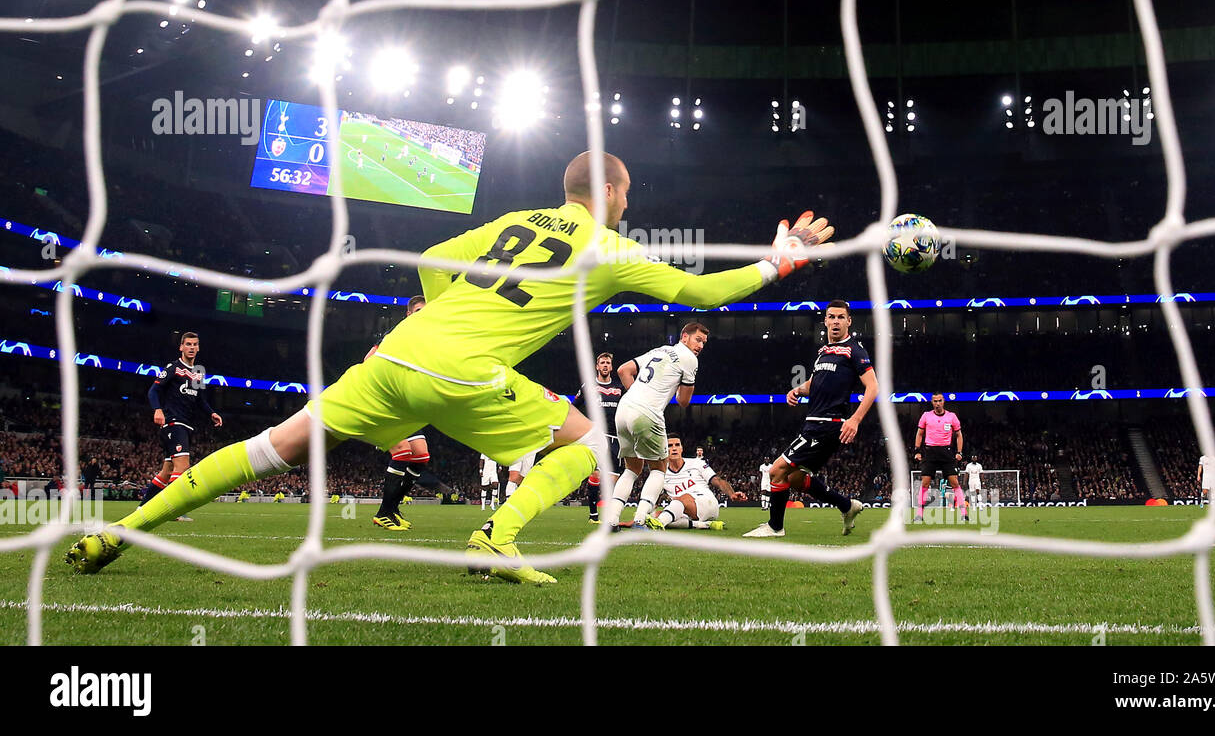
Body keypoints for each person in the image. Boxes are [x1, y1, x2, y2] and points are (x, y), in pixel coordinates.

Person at [67, 151, 832, 583]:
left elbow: (431, 257)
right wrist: (777, 264)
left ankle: (119, 534)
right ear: (606, 192)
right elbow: (699, 290)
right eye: (626, 194)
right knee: (586, 446)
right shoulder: (607, 244)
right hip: (465, 370)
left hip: (398, 353)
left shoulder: (515, 220)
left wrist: (435, 318)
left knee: (277, 446)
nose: (627, 206)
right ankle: (497, 535)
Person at [745, 300, 872, 538]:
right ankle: (846, 505)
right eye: (831, 317)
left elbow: (873, 387)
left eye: (840, 317)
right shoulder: (823, 351)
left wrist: (854, 420)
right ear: (824, 321)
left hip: (827, 425)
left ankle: (775, 526)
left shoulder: (854, 350)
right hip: (814, 423)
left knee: (776, 471)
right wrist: (798, 390)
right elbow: (815, 382)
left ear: (849, 321)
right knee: (794, 479)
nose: (835, 321)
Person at [610, 322, 708, 529]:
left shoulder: (661, 349)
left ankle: (611, 518)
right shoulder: (690, 359)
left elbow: (623, 370)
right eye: (698, 340)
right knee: (658, 468)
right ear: (684, 337)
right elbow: (683, 401)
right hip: (647, 412)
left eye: (704, 343)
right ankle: (640, 518)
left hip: (624, 408)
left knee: (632, 468)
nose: (700, 346)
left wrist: (637, 395)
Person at [141, 332, 223, 522]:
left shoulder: (199, 371)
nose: (192, 347)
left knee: (167, 471)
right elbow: (154, 390)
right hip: (173, 422)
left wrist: (211, 412)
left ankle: (143, 506)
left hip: (186, 424)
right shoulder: (174, 368)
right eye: (188, 344)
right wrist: (157, 410)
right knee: (183, 467)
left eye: (195, 344)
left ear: (199, 347)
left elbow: (200, 399)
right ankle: (173, 510)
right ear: (181, 347)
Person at [368, 295, 430, 531]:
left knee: (421, 456)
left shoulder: (425, 341)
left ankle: (392, 509)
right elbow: (368, 361)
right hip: (384, 401)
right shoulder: (395, 335)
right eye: (417, 311)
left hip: (404, 405)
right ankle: (384, 512)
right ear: (408, 314)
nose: (421, 315)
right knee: (402, 452)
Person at [651, 436, 746, 530]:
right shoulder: (662, 473)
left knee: (680, 500)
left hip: (707, 503)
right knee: (656, 515)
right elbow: (656, 496)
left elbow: (718, 481)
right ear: (664, 450)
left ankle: (658, 524)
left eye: (677, 445)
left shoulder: (697, 463)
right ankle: (703, 525)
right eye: (670, 446)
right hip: (684, 509)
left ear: (681, 448)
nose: (674, 448)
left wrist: (732, 493)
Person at [578, 352, 624, 523]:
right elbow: (574, 407)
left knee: (613, 479)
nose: (605, 365)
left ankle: (610, 516)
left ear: (611, 367)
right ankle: (593, 515)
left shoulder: (620, 387)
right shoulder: (588, 386)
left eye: (608, 363)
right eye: (602, 363)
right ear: (597, 366)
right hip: (596, 435)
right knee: (596, 475)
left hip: (615, 437)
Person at [913, 393, 968, 522]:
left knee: (954, 483)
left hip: (946, 452)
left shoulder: (951, 416)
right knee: (925, 483)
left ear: (944, 401)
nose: (937, 403)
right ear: (932, 402)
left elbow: (959, 435)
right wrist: (917, 450)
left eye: (940, 401)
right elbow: (919, 434)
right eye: (935, 401)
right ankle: (919, 515)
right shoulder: (926, 416)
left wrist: (959, 452)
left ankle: (964, 514)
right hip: (930, 451)